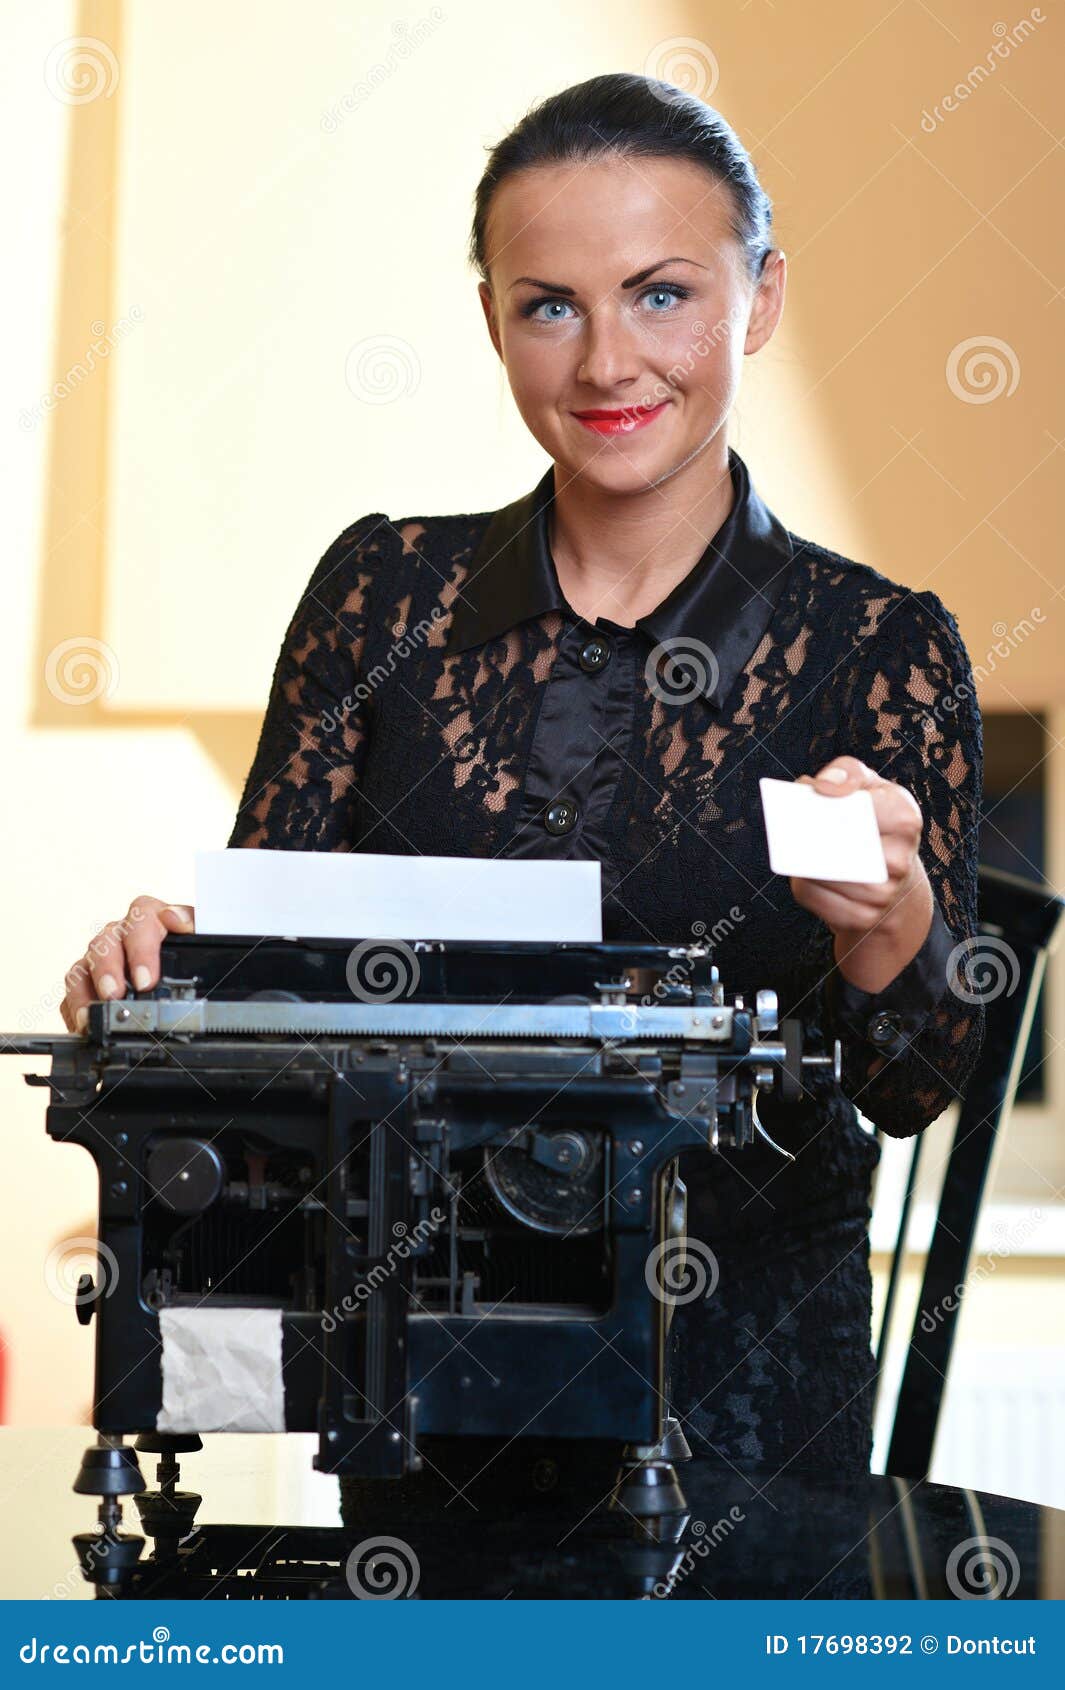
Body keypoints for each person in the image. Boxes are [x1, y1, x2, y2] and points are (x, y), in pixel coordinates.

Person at [60, 73, 984, 1483]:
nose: (607, 361)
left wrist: (891, 923)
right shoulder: (380, 595)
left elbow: (913, 1087)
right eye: (551, 306)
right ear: (492, 318)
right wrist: (168, 973)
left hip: (734, 1405)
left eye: (662, 295)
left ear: (761, 299)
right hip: (421, 1396)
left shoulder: (877, 644)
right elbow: (269, 975)